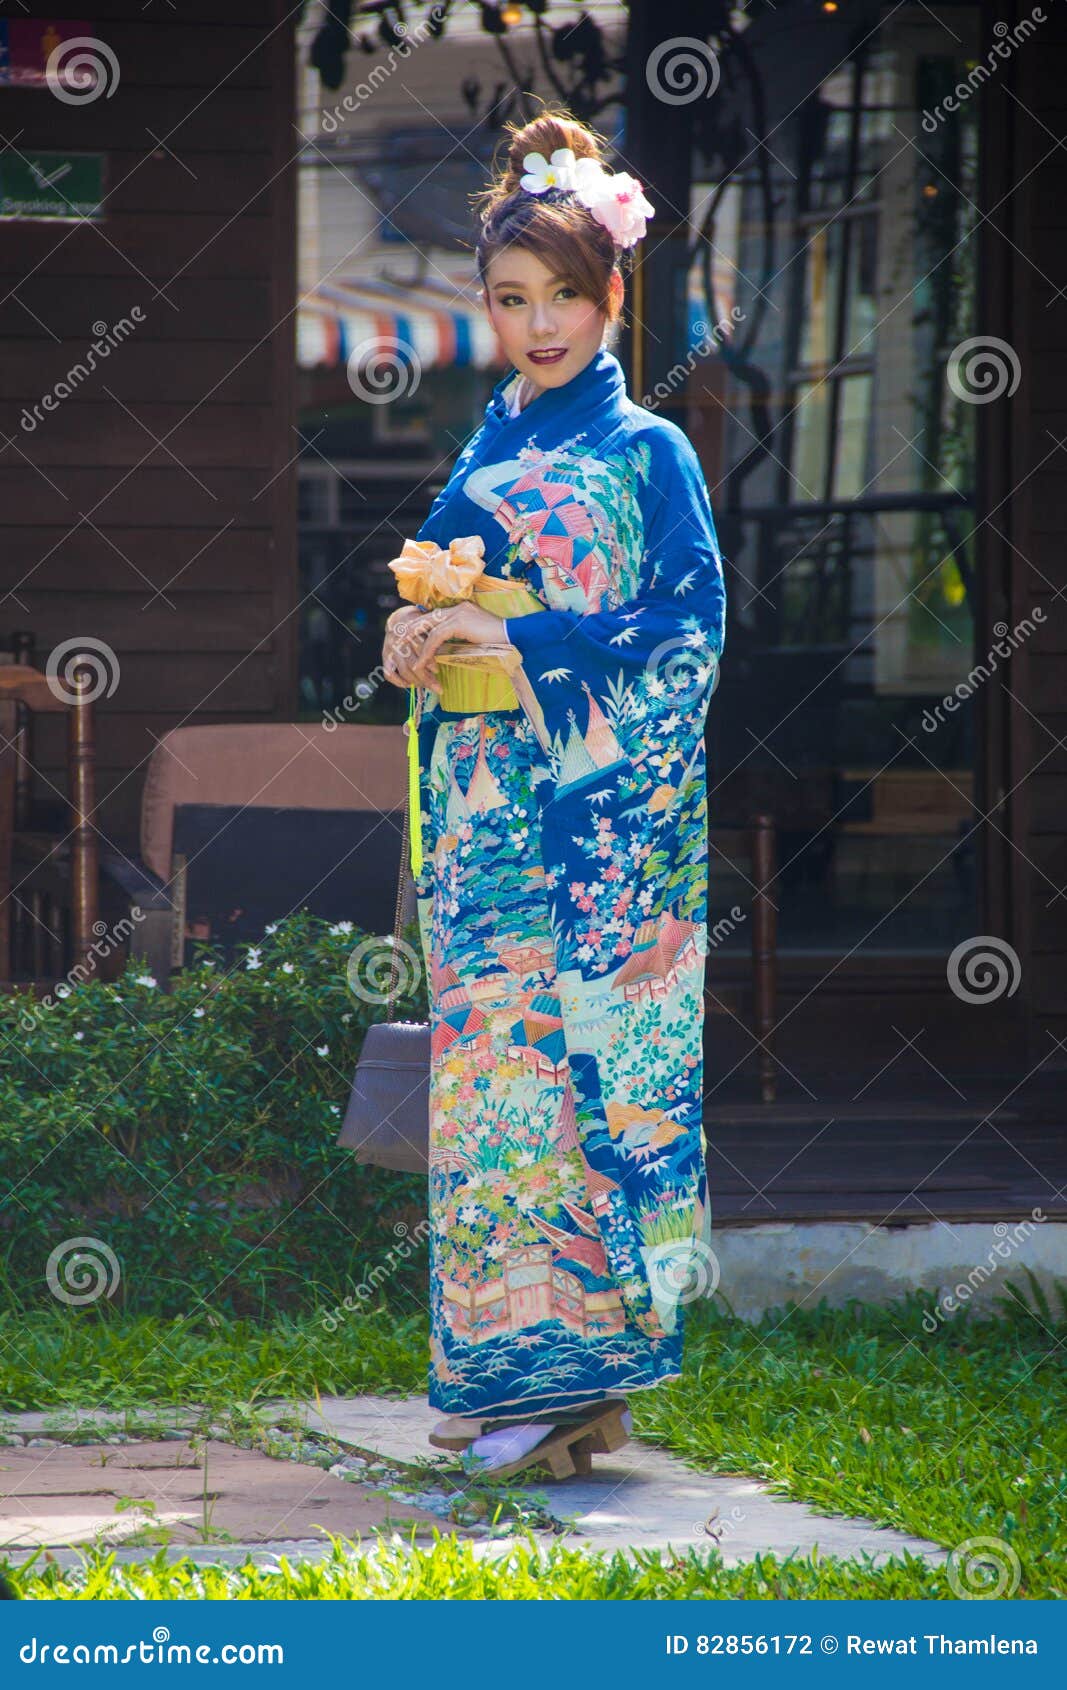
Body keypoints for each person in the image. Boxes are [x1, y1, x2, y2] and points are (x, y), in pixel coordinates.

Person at [381, 107, 727, 1480]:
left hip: (595, 833)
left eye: (566, 297)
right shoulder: (487, 454)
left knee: (566, 1077)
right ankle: (497, 1362)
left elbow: (691, 634)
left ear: (612, 296)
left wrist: (514, 640)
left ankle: (583, 1375)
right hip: (483, 823)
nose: (541, 325)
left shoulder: (649, 455)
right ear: (487, 306)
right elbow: (445, 585)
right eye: (514, 300)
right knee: (487, 1090)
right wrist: (411, 638)